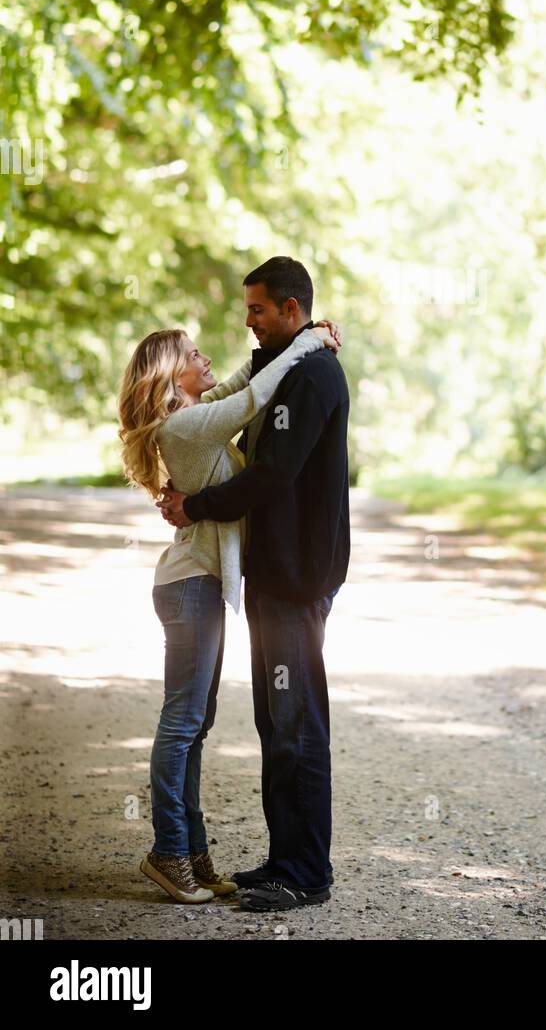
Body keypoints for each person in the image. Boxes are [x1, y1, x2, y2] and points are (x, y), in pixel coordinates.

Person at [118, 305, 341, 903]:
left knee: (196, 723)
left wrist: (298, 341)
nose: (206, 359)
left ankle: (192, 853)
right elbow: (251, 399)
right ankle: (171, 850)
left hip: (199, 583)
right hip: (190, 584)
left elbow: (243, 384)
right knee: (184, 722)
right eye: (193, 356)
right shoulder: (185, 428)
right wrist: (304, 346)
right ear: (169, 376)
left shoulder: (194, 416)